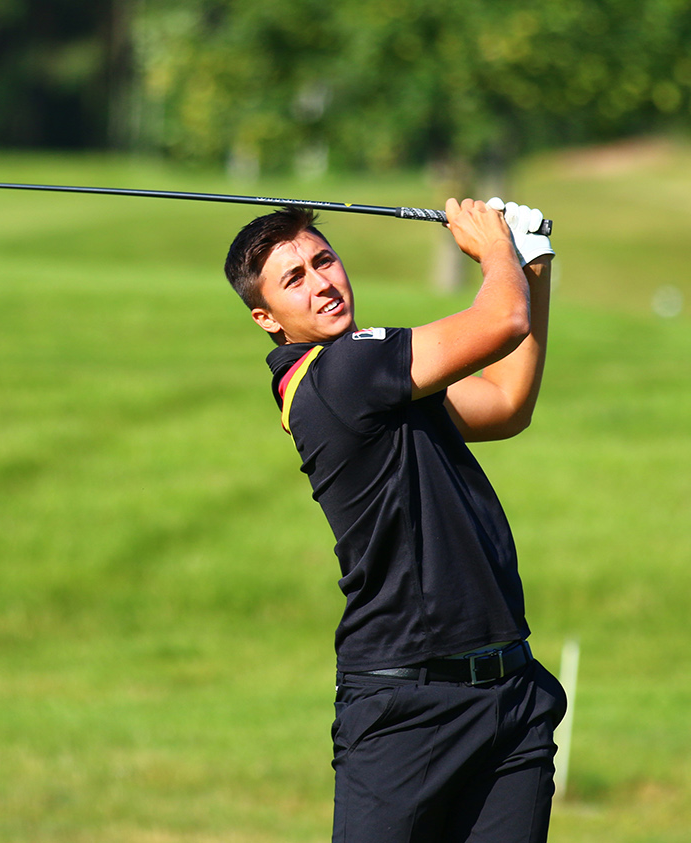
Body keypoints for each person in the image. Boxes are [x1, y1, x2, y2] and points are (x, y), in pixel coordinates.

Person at [223, 197, 564, 843]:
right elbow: (503, 317)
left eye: (324, 259)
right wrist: (494, 247)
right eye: (294, 278)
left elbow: (506, 403)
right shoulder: (344, 370)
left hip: (508, 695)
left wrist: (534, 260)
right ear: (266, 318)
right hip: (406, 707)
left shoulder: (375, 378)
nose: (322, 281)